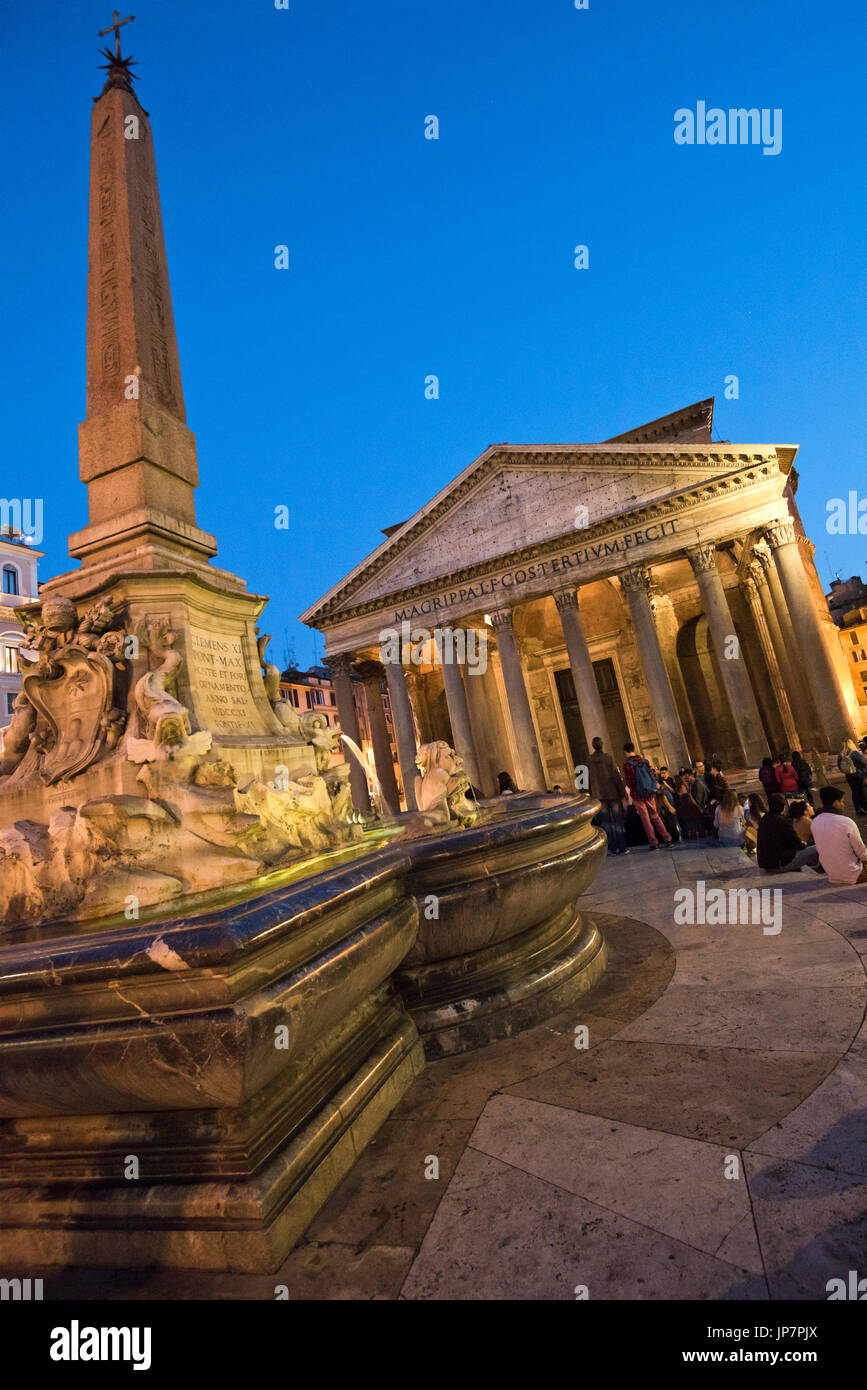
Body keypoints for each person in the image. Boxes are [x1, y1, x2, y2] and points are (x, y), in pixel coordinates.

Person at [810, 785, 867, 884]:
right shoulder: (846, 822)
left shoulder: (815, 821)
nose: (843, 804)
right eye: (842, 801)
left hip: (832, 874)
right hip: (854, 874)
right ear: (836, 803)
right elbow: (862, 852)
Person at [622, 741, 672, 850]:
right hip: (649, 794)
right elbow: (652, 775)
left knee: (645, 820)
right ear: (633, 749)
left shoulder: (627, 765)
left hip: (637, 795)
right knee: (655, 816)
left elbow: (629, 783)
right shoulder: (645, 761)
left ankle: (654, 843)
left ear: (625, 752)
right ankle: (667, 838)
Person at [756, 793, 821, 873]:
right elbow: (798, 845)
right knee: (817, 848)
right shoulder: (782, 821)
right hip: (779, 865)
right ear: (783, 807)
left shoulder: (764, 819)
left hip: (766, 864)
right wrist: (803, 844)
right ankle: (823, 871)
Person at [588, 736, 629, 855]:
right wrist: (623, 792)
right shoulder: (607, 758)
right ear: (602, 744)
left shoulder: (589, 760)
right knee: (617, 820)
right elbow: (615, 775)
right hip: (612, 793)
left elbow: (589, 779)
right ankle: (622, 847)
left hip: (599, 795)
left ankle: (612, 847)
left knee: (605, 822)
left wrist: (592, 795)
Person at [837, 739, 867, 816]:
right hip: (859, 774)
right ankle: (865, 808)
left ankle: (858, 809)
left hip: (849, 776)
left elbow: (839, 766)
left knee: (854, 792)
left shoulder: (841, 754)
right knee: (862, 791)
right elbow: (863, 762)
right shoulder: (854, 752)